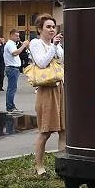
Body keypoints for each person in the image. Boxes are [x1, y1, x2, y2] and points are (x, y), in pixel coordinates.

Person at [29, 14, 65, 177]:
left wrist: (56, 46)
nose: (52, 30)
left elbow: (62, 60)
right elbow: (42, 62)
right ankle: (39, 167)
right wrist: (54, 46)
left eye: (53, 27)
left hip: (59, 88)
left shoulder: (55, 45)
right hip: (45, 90)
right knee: (45, 131)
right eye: (48, 27)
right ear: (39, 29)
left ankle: (63, 168)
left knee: (64, 130)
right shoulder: (36, 43)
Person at [3, 29, 28, 115]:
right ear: (11, 35)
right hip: (12, 68)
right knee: (11, 89)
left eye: (18, 36)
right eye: (16, 36)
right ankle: (10, 107)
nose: (18, 37)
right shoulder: (10, 44)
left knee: (12, 88)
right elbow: (15, 53)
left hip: (14, 68)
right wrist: (23, 46)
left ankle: (11, 106)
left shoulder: (12, 44)